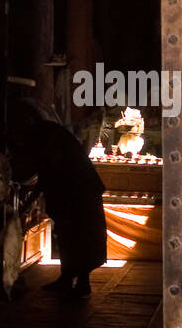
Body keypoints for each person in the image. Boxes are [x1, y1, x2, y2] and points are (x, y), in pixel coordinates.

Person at [8, 103, 108, 298]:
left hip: (78, 191)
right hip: (74, 190)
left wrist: (27, 204)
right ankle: (66, 278)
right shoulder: (46, 132)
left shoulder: (44, 135)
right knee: (68, 236)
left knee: (79, 236)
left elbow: (48, 170)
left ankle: (82, 283)